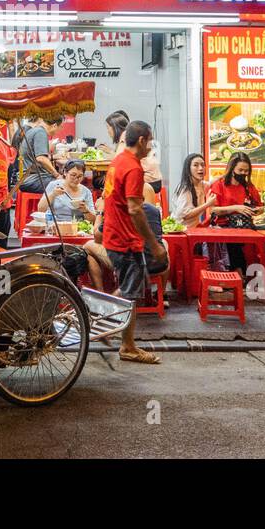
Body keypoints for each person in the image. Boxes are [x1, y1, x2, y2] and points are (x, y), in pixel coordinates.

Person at [100, 119, 167, 365]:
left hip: (113, 236)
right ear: (142, 140)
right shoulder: (133, 167)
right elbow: (135, 209)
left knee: (129, 288)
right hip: (126, 240)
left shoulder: (117, 162)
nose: (150, 146)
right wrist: (154, 244)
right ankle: (127, 346)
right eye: (150, 141)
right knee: (130, 296)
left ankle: (101, 320)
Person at [206, 152, 263, 272]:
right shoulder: (219, 185)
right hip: (223, 227)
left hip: (245, 226)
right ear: (232, 169)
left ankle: (248, 273)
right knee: (234, 242)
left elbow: (260, 207)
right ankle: (238, 273)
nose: (243, 173)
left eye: (246, 171)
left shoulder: (248, 187)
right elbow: (212, 210)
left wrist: (256, 211)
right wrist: (236, 208)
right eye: (240, 170)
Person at [105, 110, 162, 202]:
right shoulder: (127, 137)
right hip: (154, 179)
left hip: (149, 181)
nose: (108, 131)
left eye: (108, 128)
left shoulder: (125, 137)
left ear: (115, 128)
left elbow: (119, 161)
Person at [37, 159, 97, 224]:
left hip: (78, 228)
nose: (76, 179)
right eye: (73, 175)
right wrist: (53, 195)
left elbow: (93, 220)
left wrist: (85, 210)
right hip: (56, 226)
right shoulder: (54, 185)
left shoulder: (86, 192)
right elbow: (40, 209)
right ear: (65, 173)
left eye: (80, 176)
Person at [17, 117, 62, 194]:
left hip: (26, 178)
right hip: (31, 179)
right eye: (60, 127)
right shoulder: (40, 133)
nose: (59, 130)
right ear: (54, 125)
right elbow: (41, 158)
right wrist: (57, 175)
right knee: (67, 185)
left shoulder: (34, 130)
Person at [171, 153, 212, 227]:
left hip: (193, 230)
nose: (200, 168)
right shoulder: (185, 188)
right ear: (188, 168)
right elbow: (185, 215)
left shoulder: (202, 185)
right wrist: (207, 204)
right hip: (180, 230)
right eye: (195, 165)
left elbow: (213, 182)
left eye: (202, 165)